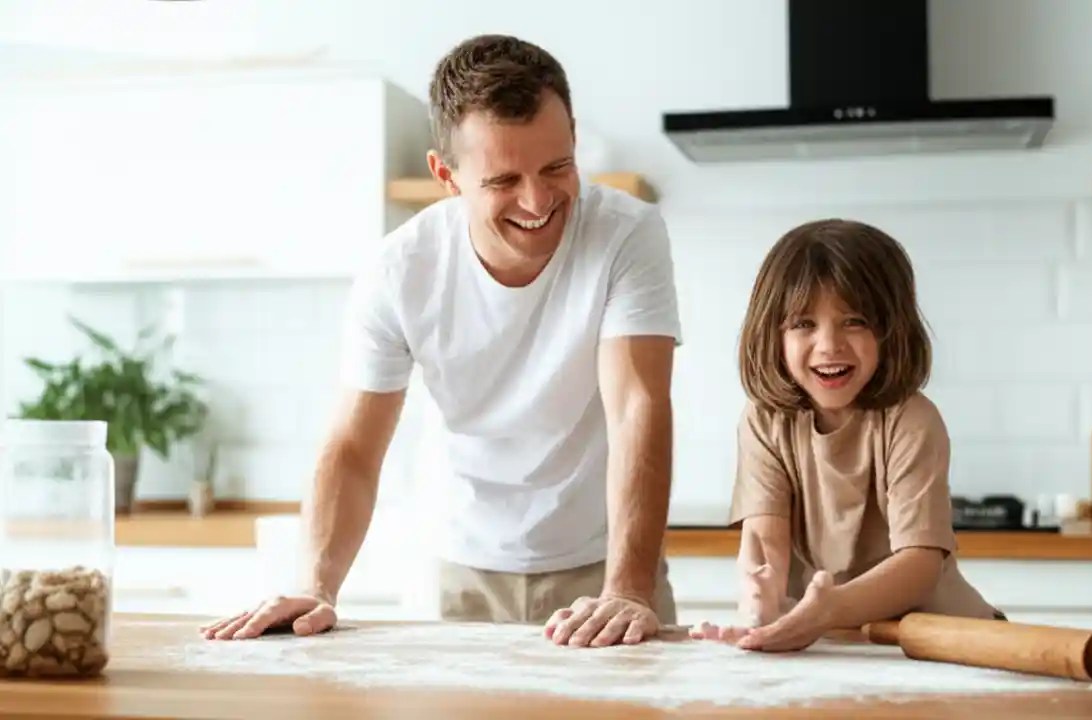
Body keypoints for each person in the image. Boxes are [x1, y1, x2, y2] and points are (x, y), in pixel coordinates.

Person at [199, 34, 681, 648]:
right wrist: (316, 584)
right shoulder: (401, 268)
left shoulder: (626, 234)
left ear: (574, 140)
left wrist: (629, 588)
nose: (538, 201)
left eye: (556, 167)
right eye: (504, 179)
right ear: (446, 175)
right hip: (459, 572)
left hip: (607, 570)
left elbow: (638, 405)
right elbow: (352, 447)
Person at [689, 219, 998, 653]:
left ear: (892, 329)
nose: (829, 345)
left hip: (944, 644)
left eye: (854, 321)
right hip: (842, 645)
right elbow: (765, 542)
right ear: (772, 333)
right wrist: (762, 603)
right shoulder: (765, 420)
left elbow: (920, 565)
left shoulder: (911, 420)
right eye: (803, 324)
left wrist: (826, 610)